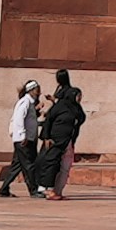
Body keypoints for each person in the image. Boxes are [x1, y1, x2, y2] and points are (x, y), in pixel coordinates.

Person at [36, 71, 86, 200]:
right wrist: (46, 137)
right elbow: (49, 120)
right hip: (56, 140)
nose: (79, 98)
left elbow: (81, 118)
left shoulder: (75, 108)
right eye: (78, 96)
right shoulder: (60, 107)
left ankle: (58, 191)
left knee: (65, 167)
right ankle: (48, 189)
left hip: (68, 141)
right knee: (51, 163)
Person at [0, 80, 44, 199]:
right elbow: (19, 119)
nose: (38, 92)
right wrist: (22, 135)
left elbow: (30, 121)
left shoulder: (30, 103)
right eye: (37, 90)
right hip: (24, 140)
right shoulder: (25, 102)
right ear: (32, 90)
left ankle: (4, 189)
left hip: (27, 138)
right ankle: (33, 190)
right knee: (29, 165)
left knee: (16, 166)